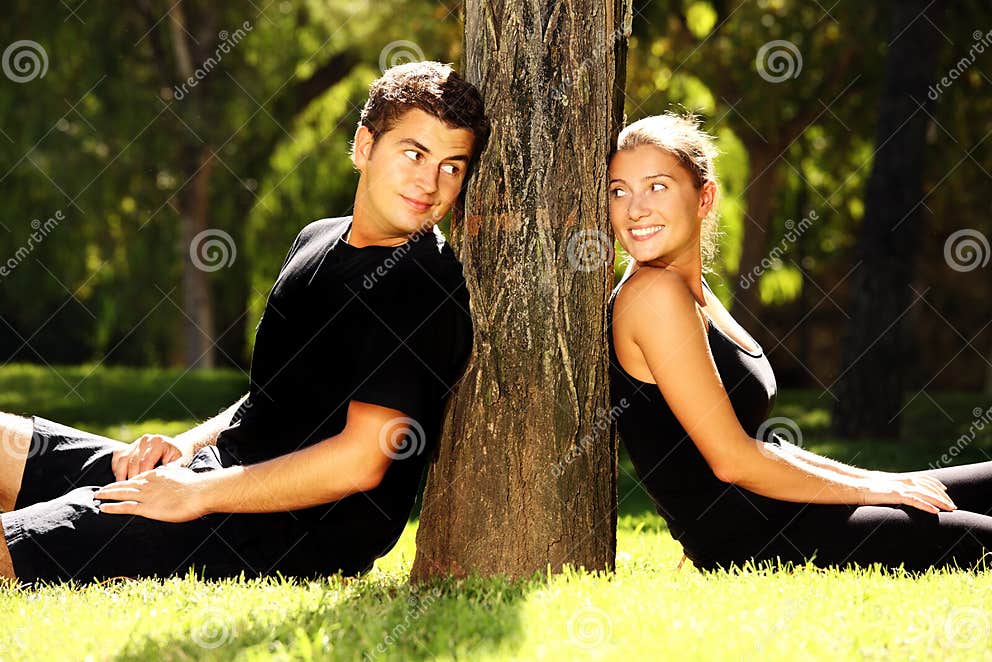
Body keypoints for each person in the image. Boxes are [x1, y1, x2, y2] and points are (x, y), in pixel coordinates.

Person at [0, 61, 490, 584]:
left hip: (288, 530)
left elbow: (360, 461)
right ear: (366, 146)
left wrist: (196, 494)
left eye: (452, 166)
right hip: (220, 476)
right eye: (415, 154)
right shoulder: (318, 238)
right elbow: (272, 396)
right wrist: (184, 447)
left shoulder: (418, 286)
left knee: (12, 547)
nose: (430, 183)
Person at [607, 112, 992, 572]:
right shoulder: (653, 294)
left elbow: (763, 446)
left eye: (657, 187)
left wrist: (879, 479)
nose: (634, 209)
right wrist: (877, 490)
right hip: (758, 539)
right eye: (619, 191)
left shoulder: (694, 291)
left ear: (705, 197)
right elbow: (731, 461)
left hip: (787, 509)